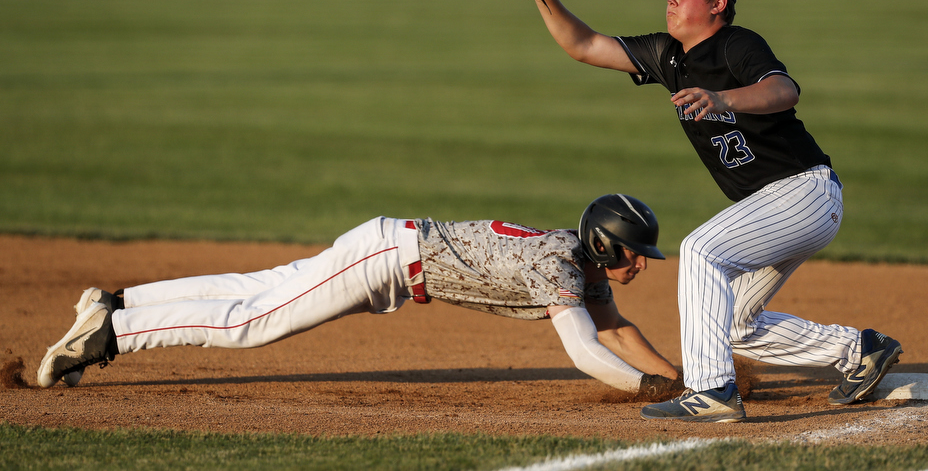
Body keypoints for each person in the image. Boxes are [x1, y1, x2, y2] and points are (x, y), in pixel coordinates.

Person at [532, 0, 902, 423]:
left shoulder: (736, 44)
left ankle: (711, 390)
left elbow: (784, 89)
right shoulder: (667, 54)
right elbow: (584, 45)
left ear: (717, 3)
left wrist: (722, 97)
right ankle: (860, 350)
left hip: (804, 192)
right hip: (773, 204)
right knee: (735, 326)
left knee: (700, 250)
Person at [37, 194, 681, 398]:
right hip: (385, 262)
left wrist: (676, 379)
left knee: (256, 289)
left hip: (389, 249)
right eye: (635, 252)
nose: (641, 264)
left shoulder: (578, 262)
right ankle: (110, 334)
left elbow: (614, 331)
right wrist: (646, 389)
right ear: (604, 244)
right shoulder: (558, 266)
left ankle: (119, 303)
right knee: (251, 321)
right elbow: (586, 352)